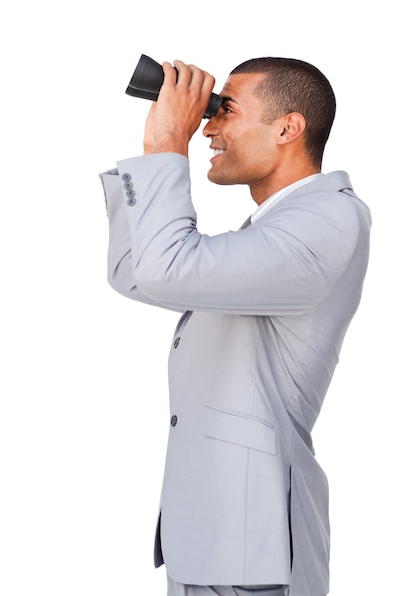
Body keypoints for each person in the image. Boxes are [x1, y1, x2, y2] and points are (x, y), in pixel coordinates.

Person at [99, 57, 371, 596]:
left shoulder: (329, 218)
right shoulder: (272, 230)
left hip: (254, 544)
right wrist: (155, 147)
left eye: (225, 110)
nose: (208, 127)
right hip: (214, 536)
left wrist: (167, 150)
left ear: (288, 128)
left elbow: (168, 266)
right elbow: (136, 276)